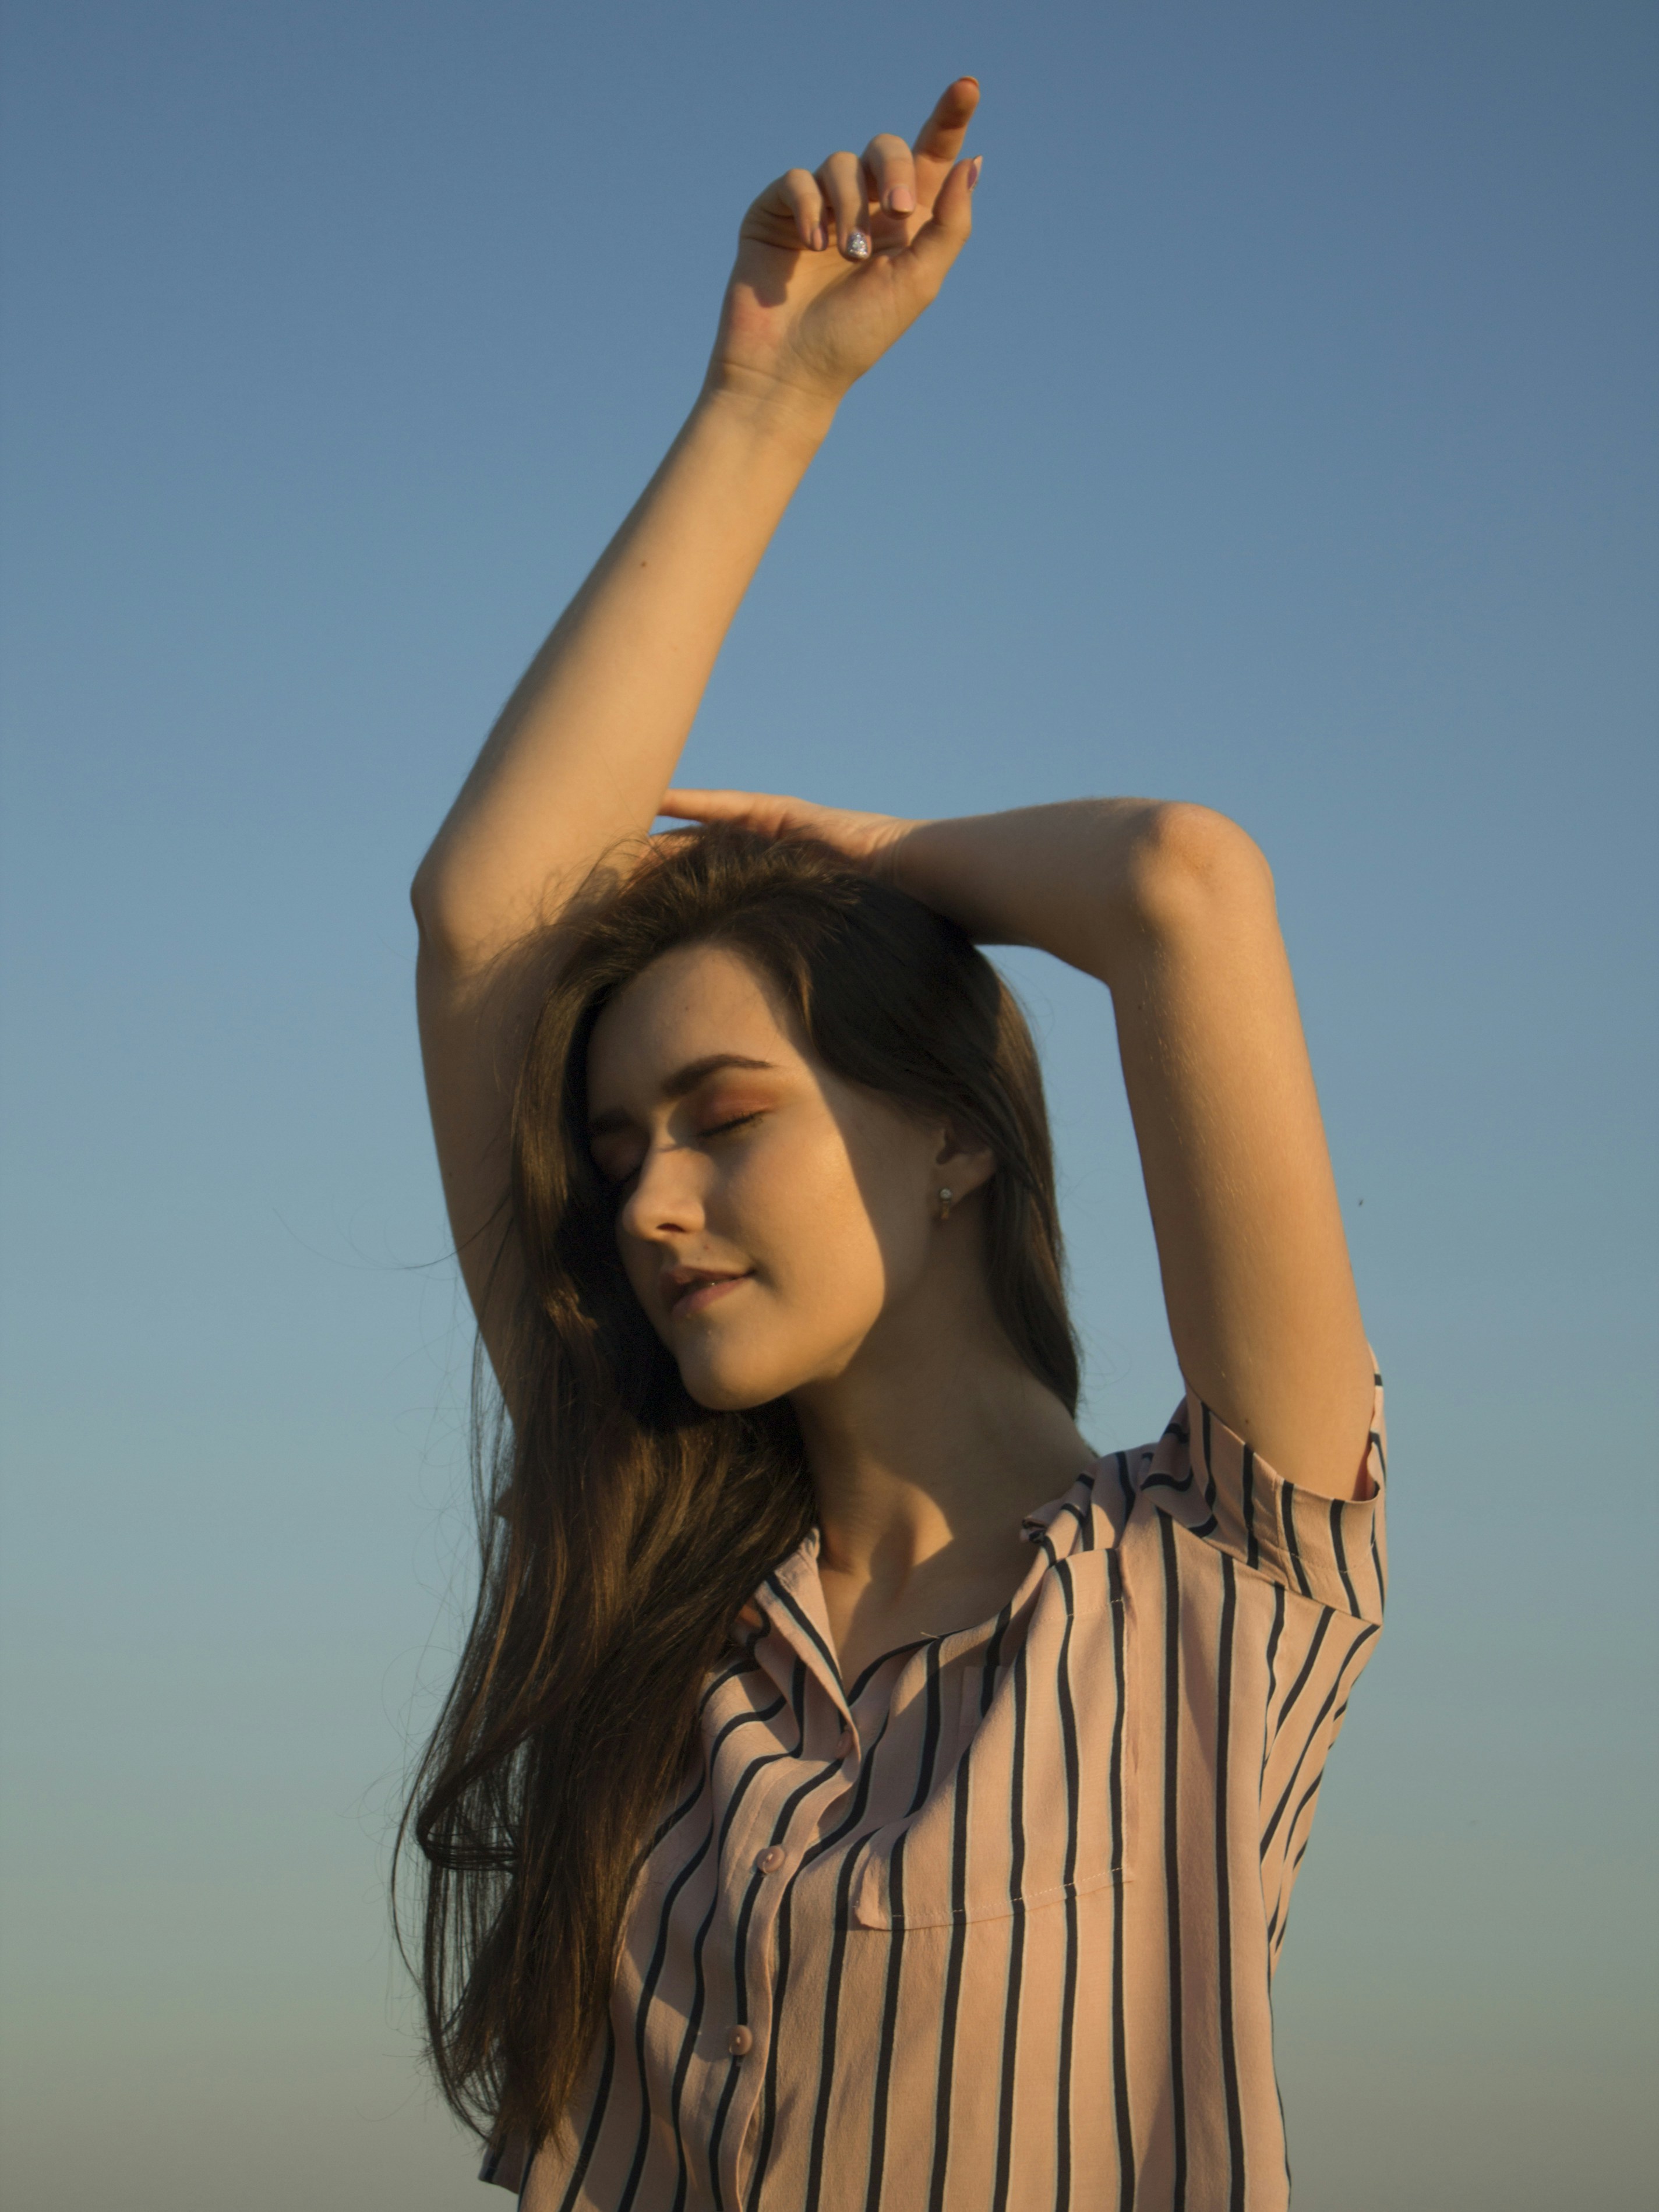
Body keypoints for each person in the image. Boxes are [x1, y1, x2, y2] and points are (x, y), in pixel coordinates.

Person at [401, 75, 1386, 2212]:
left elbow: (1183, 887)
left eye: (724, 1117)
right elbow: (488, 911)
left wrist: (863, 863)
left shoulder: (1224, 1574)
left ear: (949, 1138)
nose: (646, 1201)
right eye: (617, 1143)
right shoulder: (649, 1574)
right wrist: (763, 398)